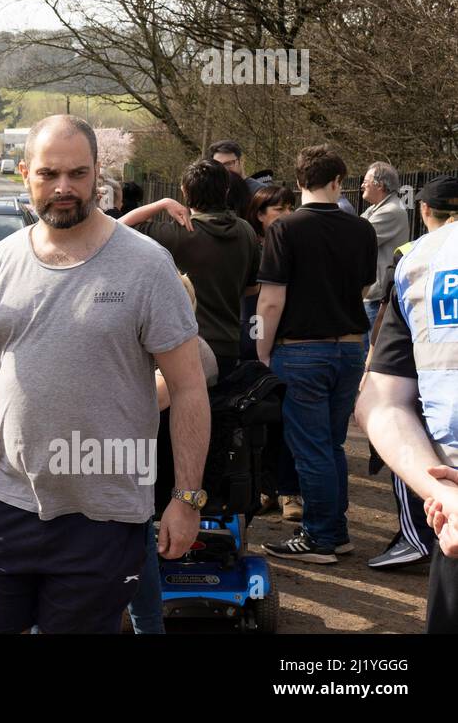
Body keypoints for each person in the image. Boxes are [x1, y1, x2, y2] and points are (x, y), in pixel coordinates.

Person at [0, 114, 210, 634]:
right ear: (25, 172)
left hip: (105, 519)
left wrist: (186, 498)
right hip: (8, 507)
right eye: (49, 174)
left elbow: (189, 389)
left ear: (98, 172)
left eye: (78, 174)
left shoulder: (147, 267)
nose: (63, 188)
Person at [256, 145, 377, 564]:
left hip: (301, 349)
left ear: (299, 180)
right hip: (349, 347)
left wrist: (261, 348)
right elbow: (362, 288)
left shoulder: (284, 229)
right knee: (332, 445)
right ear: (338, 181)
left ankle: (321, 537)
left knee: (311, 449)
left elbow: (271, 299)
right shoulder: (362, 229)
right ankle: (335, 532)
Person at [356, 175, 458, 630]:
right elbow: (382, 402)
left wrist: (441, 495)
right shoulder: (420, 258)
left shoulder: (425, 257)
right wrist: (441, 494)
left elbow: (381, 403)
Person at [127, 273, 220, 634]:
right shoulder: (152, 350)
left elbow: (146, 403)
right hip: (138, 465)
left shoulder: (195, 350)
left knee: (134, 538)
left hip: (163, 473)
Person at [121, 158, 259, 380]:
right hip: (230, 346)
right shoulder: (246, 232)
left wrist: (162, 203)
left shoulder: (176, 235)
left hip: (184, 345)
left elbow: (118, 228)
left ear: (184, 191)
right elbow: (252, 290)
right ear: (226, 190)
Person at [241, 184, 300, 519]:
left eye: (291, 207)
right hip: (251, 333)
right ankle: (261, 489)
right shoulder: (249, 245)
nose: (287, 215)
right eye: (279, 209)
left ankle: (288, 493)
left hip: (280, 338)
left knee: (283, 420)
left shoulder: (296, 243)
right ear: (260, 214)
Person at [360, 161, 410, 350]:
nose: (362, 185)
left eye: (366, 181)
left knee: (369, 352)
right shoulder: (376, 208)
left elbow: (357, 237)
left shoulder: (391, 211)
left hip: (376, 296)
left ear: (379, 185)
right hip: (371, 293)